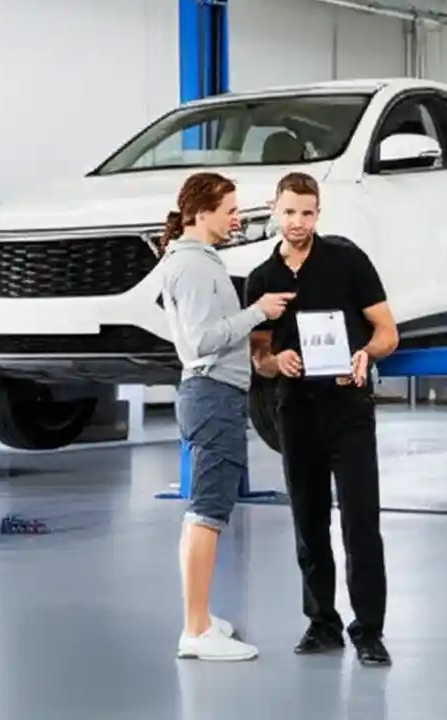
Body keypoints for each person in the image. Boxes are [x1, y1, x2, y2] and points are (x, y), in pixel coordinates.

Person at [243, 171, 399, 667]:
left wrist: (366, 355)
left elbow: (387, 331)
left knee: (360, 521)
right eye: (289, 212)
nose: (297, 222)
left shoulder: (347, 260)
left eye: (307, 212)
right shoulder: (262, 279)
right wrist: (275, 363)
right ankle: (321, 623)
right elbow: (259, 356)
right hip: (296, 411)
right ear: (275, 210)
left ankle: (369, 631)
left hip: (348, 408)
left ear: (318, 212)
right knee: (307, 520)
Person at [159, 171, 295, 662]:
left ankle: (199, 617)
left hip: (213, 392)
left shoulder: (196, 260)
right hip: (211, 391)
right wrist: (258, 311)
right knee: (208, 512)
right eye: (230, 210)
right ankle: (195, 631)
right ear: (202, 212)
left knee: (204, 508)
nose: (238, 218)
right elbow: (200, 341)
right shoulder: (194, 267)